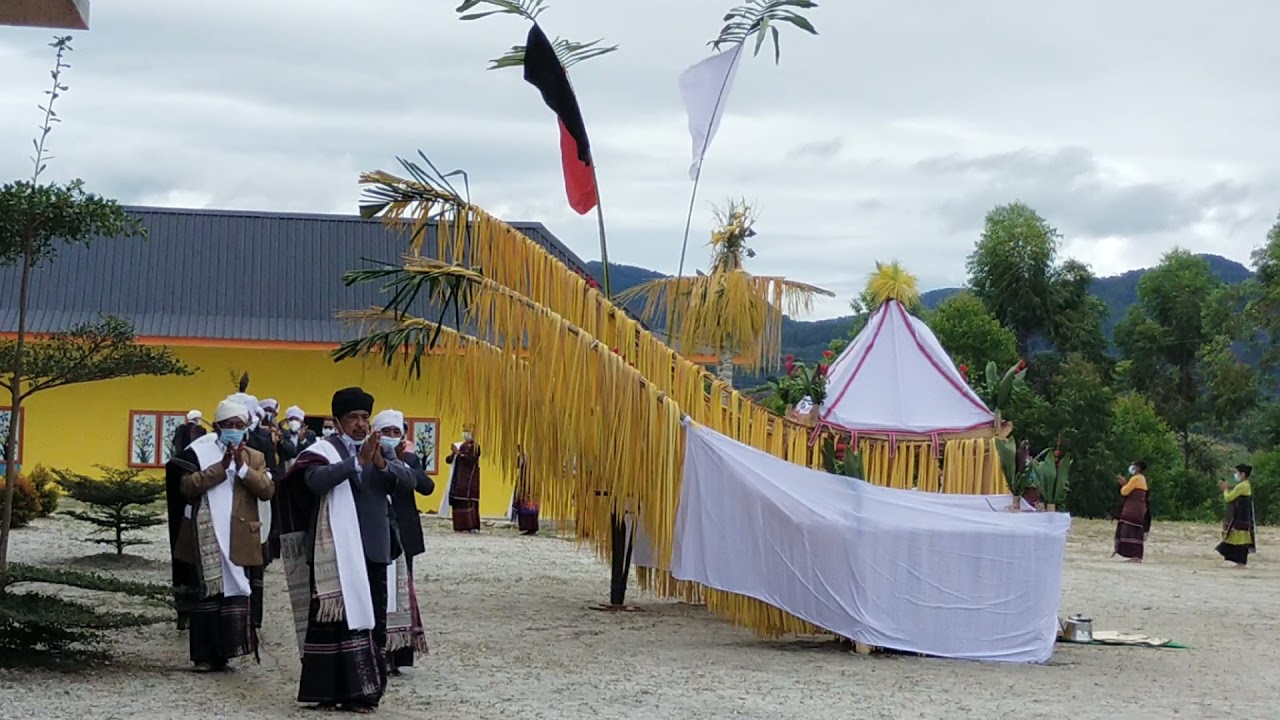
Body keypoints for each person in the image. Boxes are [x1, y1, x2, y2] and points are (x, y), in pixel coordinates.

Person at [279, 387, 414, 713]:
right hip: (334, 553)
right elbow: (314, 482)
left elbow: (410, 483)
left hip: (374, 551)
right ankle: (327, 691)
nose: (360, 424)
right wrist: (356, 462)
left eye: (365, 417)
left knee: (371, 623)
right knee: (332, 625)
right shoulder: (322, 451)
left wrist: (381, 464)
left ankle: (364, 693)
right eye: (353, 417)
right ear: (337, 421)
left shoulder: (383, 450)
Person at [170, 398, 274, 671]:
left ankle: (226, 653)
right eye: (229, 425)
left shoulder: (255, 457)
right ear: (217, 426)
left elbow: (266, 490)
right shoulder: (197, 452)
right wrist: (220, 467)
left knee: (233, 594)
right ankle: (204, 656)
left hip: (238, 534)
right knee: (207, 595)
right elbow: (187, 487)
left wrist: (241, 468)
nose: (234, 430)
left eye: (240, 425)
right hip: (206, 535)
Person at [373, 412, 434, 675]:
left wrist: (401, 465)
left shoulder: (409, 460)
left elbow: (427, 487)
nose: (391, 436)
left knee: (401, 596)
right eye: (386, 431)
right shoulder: (368, 460)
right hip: (377, 534)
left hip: (403, 536)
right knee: (379, 594)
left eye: (396, 432)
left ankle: (398, 656)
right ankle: (377, 653)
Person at [1216, 464, 1256, 568]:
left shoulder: (1242, 486)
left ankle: (1240, 562)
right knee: (1240, 538)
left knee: (1238, 538)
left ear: (1242, 474)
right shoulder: (1245, 485)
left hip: (1240, 517)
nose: (1236, 475)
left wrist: (1225, 489)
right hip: (1243, 516)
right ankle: (1240, 562)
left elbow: (1228, 498)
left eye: (1237, 473)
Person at [445, 426, 482, 533]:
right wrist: (453, 453)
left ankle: (471, 526)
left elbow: (470, 460)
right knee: (458, 502)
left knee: (468, 501)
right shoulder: (460, 445)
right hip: (458, 479)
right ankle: (459, 526)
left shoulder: (475, 447)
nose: (465, 433)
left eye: (467, 431)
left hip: (469, 480)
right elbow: (449, 460)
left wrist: (458, 453)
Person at [1113, 460, 1150, 563]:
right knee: (1135, 531)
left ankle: (1134, 556)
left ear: (1137, 468)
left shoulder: (1136, 478)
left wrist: (1123, 484)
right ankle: (1136, 555)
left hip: (1132, 510)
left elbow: (1124, 492)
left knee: (1129, 530)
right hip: (1139, 509)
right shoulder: (1142, 478)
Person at [512, 445, 539, 535]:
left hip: (530, 486)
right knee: (524, 507)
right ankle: (527, 527)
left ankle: (532, 528)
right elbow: (516, 465)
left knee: (530, 507)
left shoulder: (532, 459)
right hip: (524, 486)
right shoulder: (522, 458)